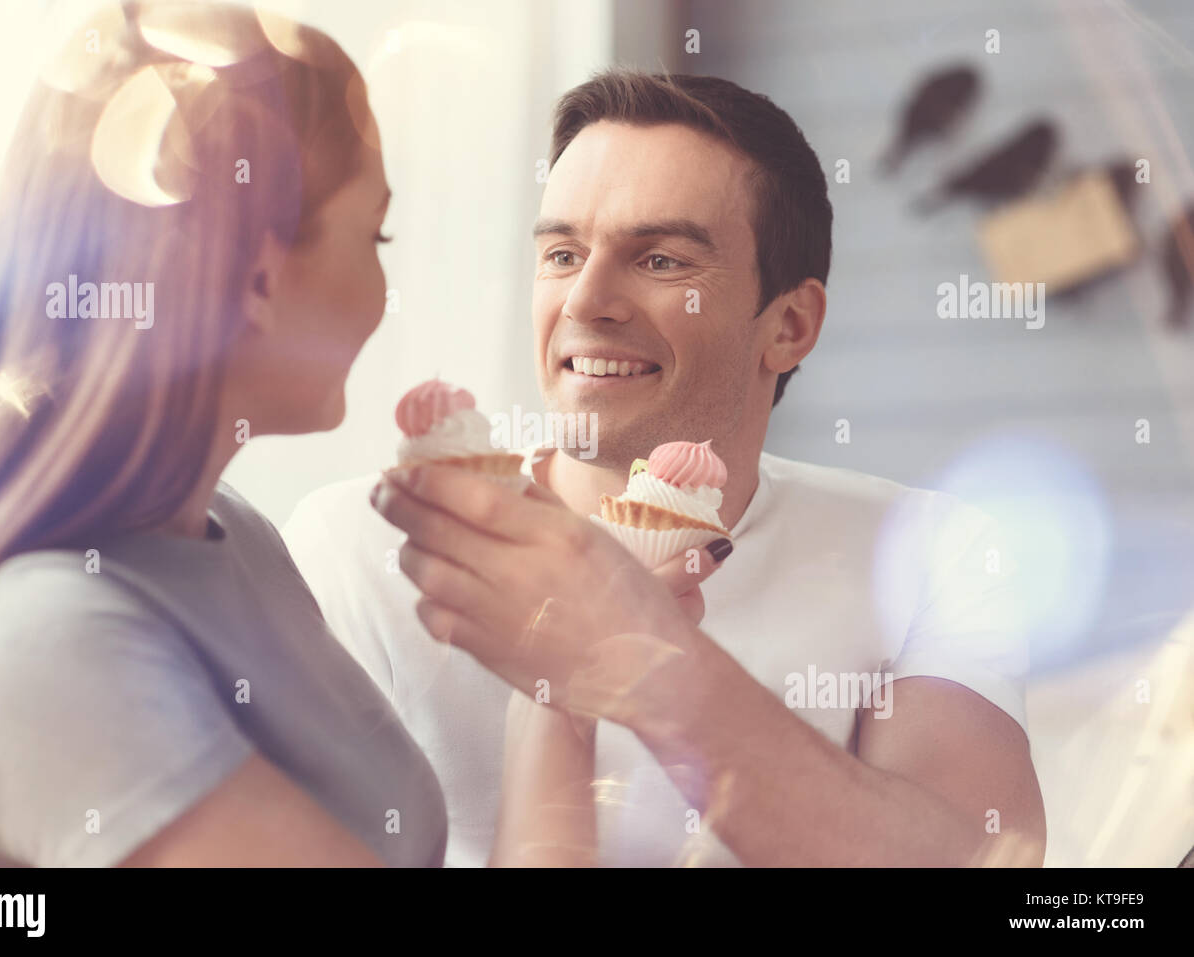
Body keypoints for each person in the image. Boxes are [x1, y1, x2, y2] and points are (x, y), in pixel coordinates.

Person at [283, 69, 1048, 866]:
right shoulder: (359, 545)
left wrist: (648, 662)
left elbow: (993, 866)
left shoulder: (929, 550)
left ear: (789, 324)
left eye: (659, 261)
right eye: (563, 252)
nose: (585, 302)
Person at [0, 2, 454, 867]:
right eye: (372, 233)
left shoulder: (240, 538)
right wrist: (571, 679)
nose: (384, 289)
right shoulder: (48, 636)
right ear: (261, 274)